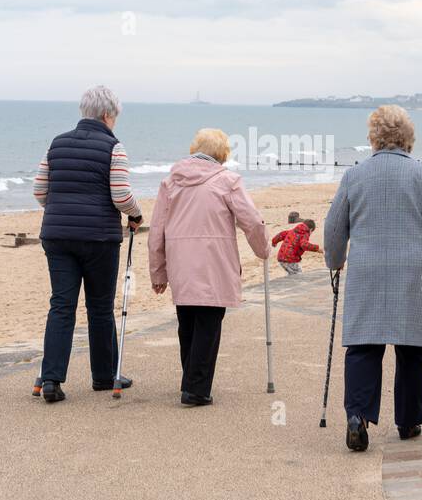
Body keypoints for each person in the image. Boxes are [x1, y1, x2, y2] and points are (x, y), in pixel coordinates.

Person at [324, 105, 422, 452]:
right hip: (417, 273)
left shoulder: (354, 176)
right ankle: (409, 419)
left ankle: (357, 416)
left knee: (363, 346)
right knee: (414, 347)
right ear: (408, 138)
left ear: (373, 137)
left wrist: (336, 260)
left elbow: (332, 228)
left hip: (367, 270)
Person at [31, 86, 143, 403]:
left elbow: (40, 192)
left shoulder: (57, 143)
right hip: (99, 238)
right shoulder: (113, 147)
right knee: (99, 307)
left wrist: (61, 211)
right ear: (108, 115)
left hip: (57, 235)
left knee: (61, 306)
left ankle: (51, 379)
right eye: (115, 116)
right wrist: (135, 213)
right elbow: (120, 195)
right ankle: (104, 376)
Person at [148, 128, 269, 406]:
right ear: (223, 155)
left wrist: (159, 271)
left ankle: (190, 380)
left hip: (181, 264)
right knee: (208, 324)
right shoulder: (228, 181)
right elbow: (251, 220)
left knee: (187, 321)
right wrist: (263, 249)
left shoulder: (171, 183)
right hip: (215, 263)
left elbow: (157, 231)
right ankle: (196, 388)